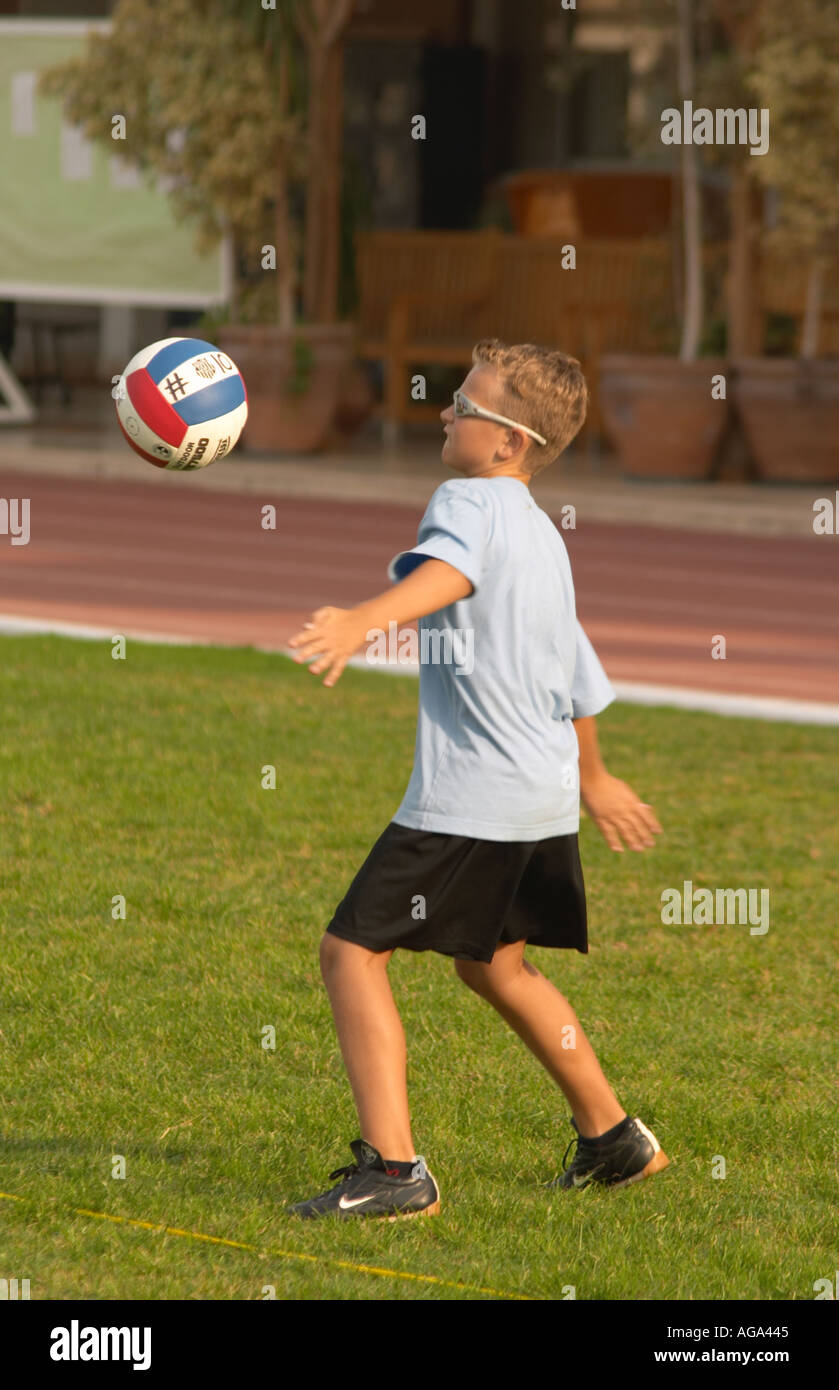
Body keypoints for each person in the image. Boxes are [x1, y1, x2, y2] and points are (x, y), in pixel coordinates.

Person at [286, 338, 667, 1221]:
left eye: (465, 404)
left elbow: (446, 574)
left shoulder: (467, 501)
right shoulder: (542, 535)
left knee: (350, 952)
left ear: (510, 445)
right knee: (493, 966)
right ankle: (612, 1139)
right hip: (538, 794)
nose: (445, 412)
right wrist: (595, 778)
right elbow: (572, 670)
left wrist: (359, 621)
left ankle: (393, 1172)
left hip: (475, 795)